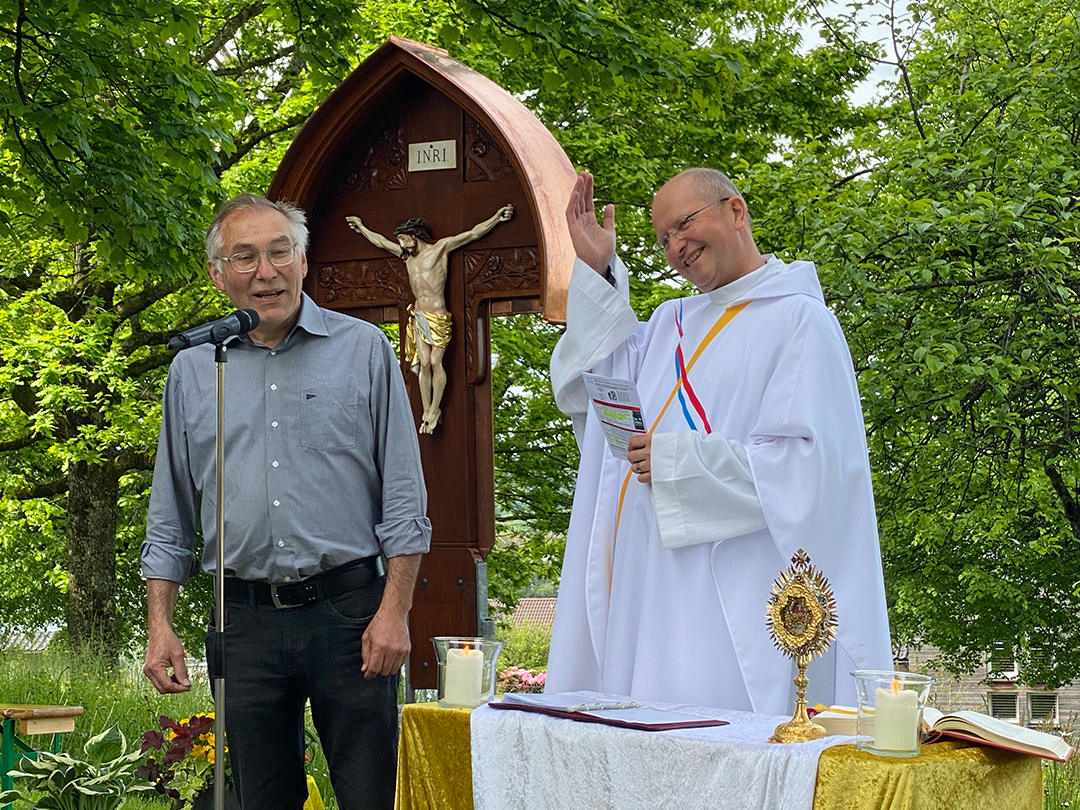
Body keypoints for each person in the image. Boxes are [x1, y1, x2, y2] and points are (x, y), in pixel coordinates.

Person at [546, 169, 891, 713]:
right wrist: (597, 271)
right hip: (649, 584)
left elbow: (806, 469)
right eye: (663, 239)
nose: (676, 247)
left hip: (730, 595)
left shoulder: (801, 321)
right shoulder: (666, 322)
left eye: (684, 224)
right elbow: (595, 385)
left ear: (736, 212)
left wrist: (678, 462)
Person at [141, 194, 431, 810]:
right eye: (244, 257)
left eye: (280, 252)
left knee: (370, 796)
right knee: (258, 800)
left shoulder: (364, 350)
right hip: (240, 619)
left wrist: (395, 612)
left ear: (304, 261)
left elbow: (405, 497)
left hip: (351, 615)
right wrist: (160, 624)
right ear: (218, 276)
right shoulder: (196, 369)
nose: (265, 271)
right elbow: (169, 511)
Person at [346, 205, 514, 433]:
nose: (403, 244)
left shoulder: (440, 249)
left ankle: (436, 408)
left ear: (416, 236)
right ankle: (427, 411)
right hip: (419, 316)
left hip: (438, 316)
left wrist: (496, 218)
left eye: (405, 239)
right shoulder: (406, 257)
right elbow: (381, 242)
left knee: (436, 363)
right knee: (424, 364)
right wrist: (362, 228)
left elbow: (473, 234)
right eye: (401, 240)